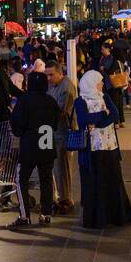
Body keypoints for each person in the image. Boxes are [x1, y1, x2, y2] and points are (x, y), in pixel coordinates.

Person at [72, 70, 131, 229]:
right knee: (96, 182)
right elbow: (83, 120)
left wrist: (97, 123)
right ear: (91, 83)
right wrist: (103, 113)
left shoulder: (105, 97)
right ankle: (97, 219)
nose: (102, 84)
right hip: (92, 151)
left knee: (113, 180)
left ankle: (117, 215)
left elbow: (114, 115)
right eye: (100, 82)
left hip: (110, 147)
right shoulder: (80, 101)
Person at [10, 70, 58, 227]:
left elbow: (17, 124)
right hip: (47, 143)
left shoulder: (25, 100)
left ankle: (25, 216)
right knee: (46, 179)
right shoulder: (51, 101)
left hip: (30, 145)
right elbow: (56, 124)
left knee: (21, 179)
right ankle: (45, 214)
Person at [45, 59, 78, 213]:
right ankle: (60, 197)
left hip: (63, 132)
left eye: (51, 75)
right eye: (47, 75)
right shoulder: (54, 85)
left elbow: (61, 111)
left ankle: (66, 199)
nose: (49, 78)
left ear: (60, 73)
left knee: (62, 167)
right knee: (56, 167)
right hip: (53, 131)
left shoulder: (66, 87)